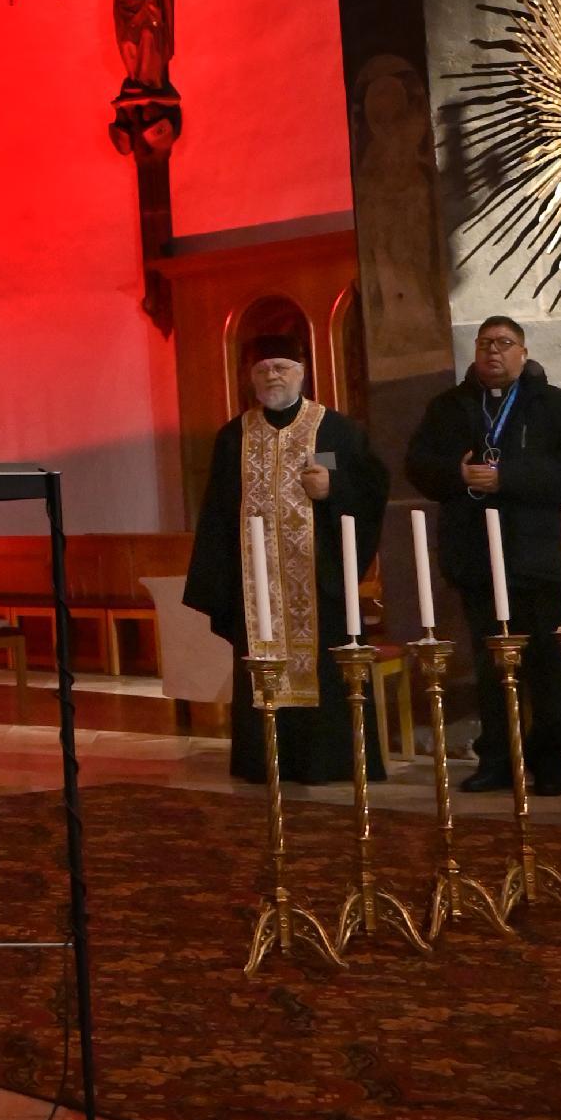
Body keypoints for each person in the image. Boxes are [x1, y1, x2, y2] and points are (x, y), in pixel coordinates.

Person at [183, 334, 389, 785]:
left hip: (320, 580)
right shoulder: (233, 436)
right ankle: (264, 762)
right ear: (250, 378)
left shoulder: (336, 431)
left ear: (301, 371)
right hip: (255, 585)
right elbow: (217, 511)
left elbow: (372, 495)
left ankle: (327, 762)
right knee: (260, 665)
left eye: (280, 367)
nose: (271, 376)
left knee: (325, 670)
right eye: (261, 370)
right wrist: (219, 584)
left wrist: (334, 492)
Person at [406, 315, 561, 796]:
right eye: (485, 343)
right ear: (475, 351)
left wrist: (506, 477)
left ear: (523, 353)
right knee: (492, 670)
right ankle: (497, 759)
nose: (494, 351)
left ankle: (550, 760)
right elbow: (418, 465)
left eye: (505, 343)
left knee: (549, 667)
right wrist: (459, 475)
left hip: (539, 559)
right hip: (476, 558)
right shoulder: (449, 408)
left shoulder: (557, 406)